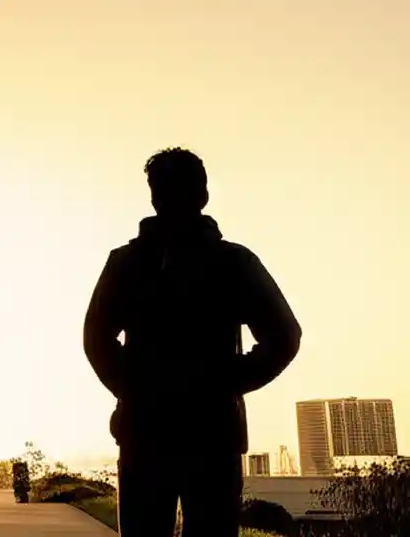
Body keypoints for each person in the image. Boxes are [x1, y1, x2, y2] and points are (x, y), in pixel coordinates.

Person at [83, 147, 302, 537]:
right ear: (203, 195)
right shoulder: (233, 263)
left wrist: (135, 388)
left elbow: (96, 342)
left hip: (149, 431)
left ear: (154, 196)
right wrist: (227, 381)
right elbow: (284, 337)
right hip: (208, 431)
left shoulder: (127, 264)